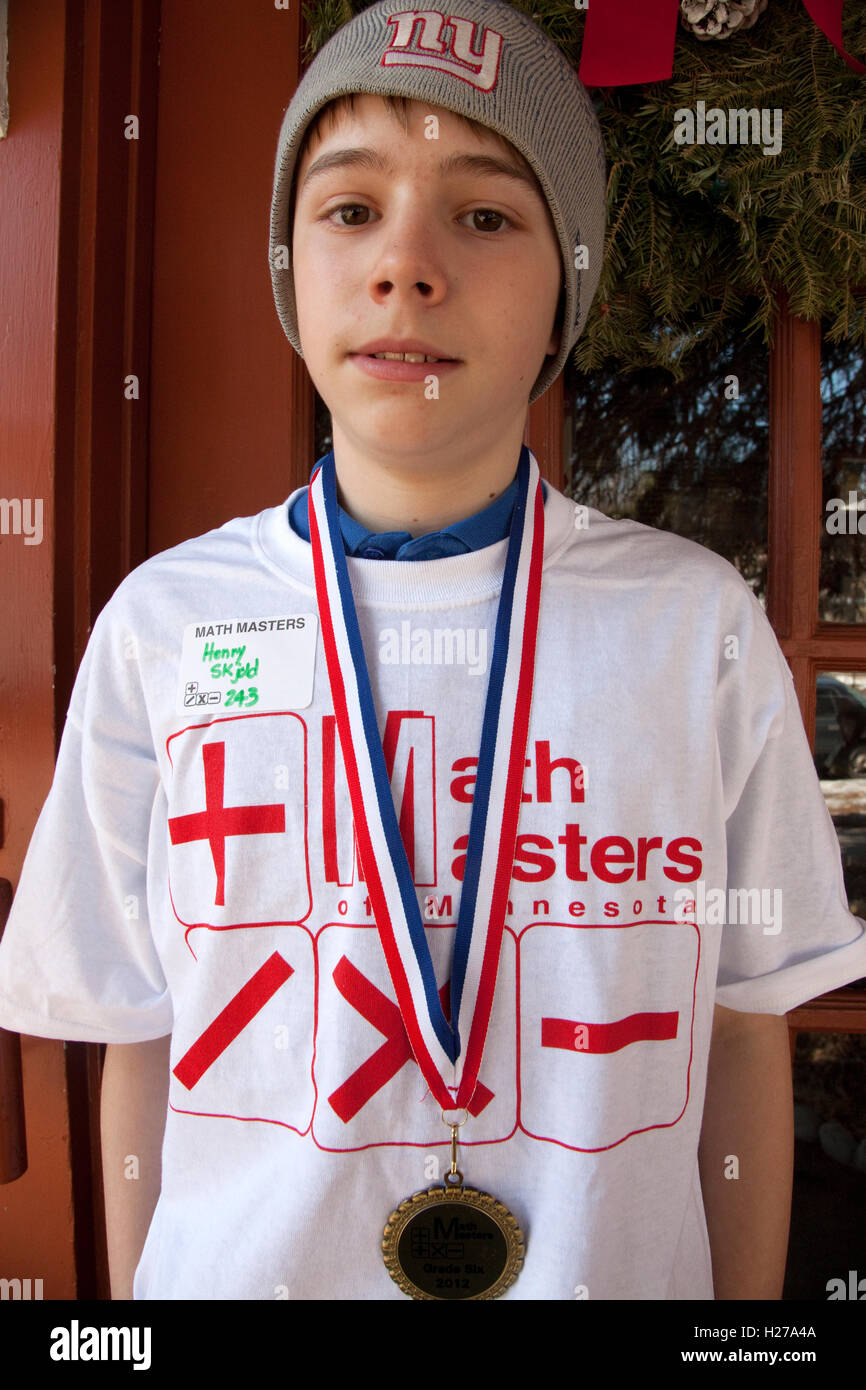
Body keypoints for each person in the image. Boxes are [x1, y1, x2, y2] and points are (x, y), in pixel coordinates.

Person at [1, 0, 865, 1302]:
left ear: (566, 286)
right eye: (350, 209)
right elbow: (138, 1036)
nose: (405, 263)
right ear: (290, 262)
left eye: (482, 214)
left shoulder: (696, 633)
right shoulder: (160, 628)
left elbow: (741, 1027)